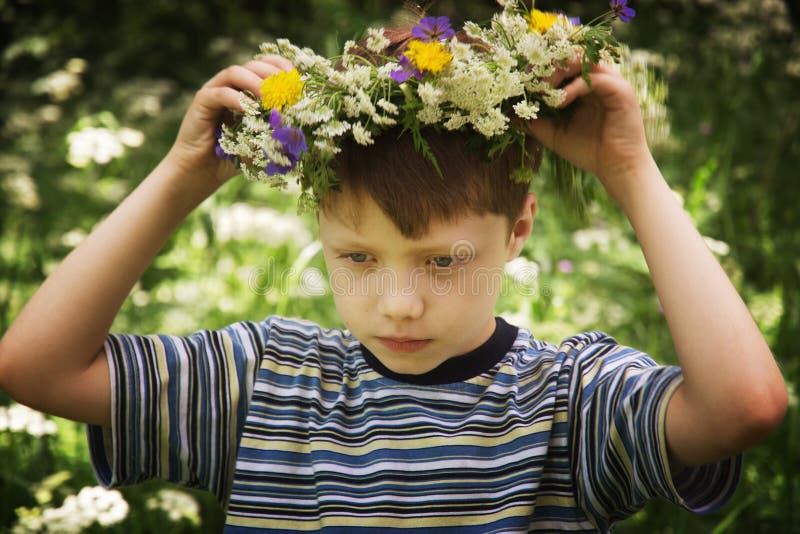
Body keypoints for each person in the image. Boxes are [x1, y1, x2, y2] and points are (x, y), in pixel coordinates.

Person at [0, 4, 788, 533]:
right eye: (358, 257)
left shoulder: (567, 404)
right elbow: (36, 367)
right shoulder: (264, 384)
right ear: (320, 228)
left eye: (443, 261)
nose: (399, 303)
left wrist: (630, 172)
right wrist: (181, 176)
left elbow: (745, 407)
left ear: (518, 231)